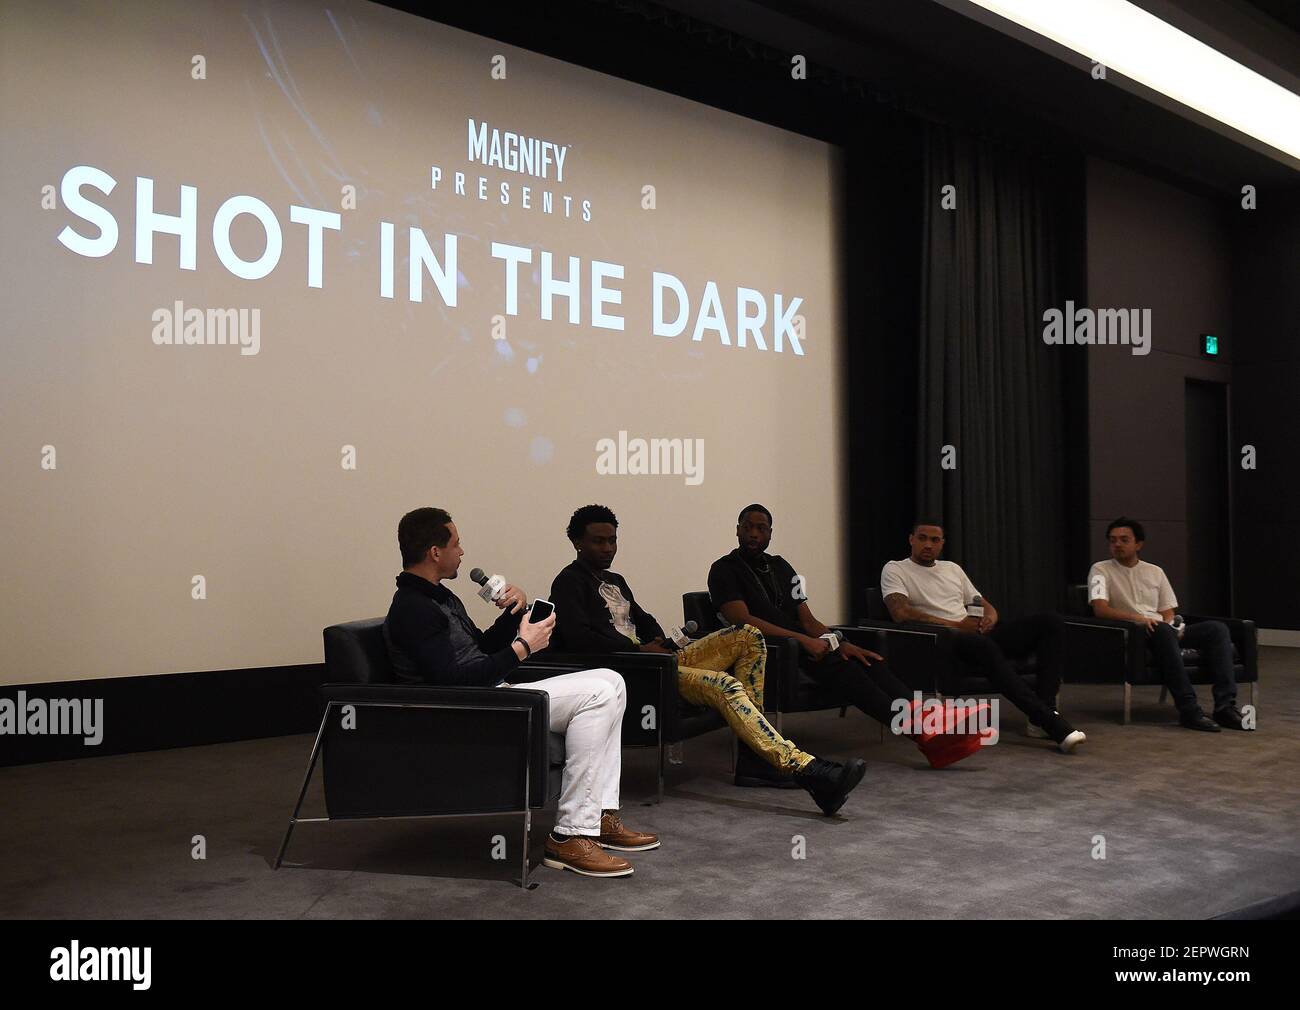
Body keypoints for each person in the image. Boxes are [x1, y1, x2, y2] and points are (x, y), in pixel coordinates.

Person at [383, 507, 659, 879]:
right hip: (473, 710)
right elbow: (454, 683)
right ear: (435, 552)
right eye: (456, 543)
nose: (462, 552)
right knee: (598, 693)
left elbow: (477, 651)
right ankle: (570, 835)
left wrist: (514, 617)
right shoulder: (412, 608)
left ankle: (600, 816)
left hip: (493, 695)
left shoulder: (441, 598)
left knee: (611, 680)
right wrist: (522, 648)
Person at [548, 504, 867, 816]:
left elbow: (644, 620)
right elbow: (580, 638)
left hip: (659, 658)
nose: (608, 548)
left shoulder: (616, 580)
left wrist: (660, 640)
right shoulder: (568, 582)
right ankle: (805, 767)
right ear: (577, 543)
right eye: (598, 541)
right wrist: (642, 651)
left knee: (748, 635)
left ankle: (753, 760)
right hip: (636, 671)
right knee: (724, 684)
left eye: (612, 540)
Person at [709, 505, 990, 770]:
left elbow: (808, 619)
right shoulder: (723, 569)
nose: (754, 534)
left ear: (771, 533)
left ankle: (929, 722)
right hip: (769, 651)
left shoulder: (782, 567)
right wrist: (804, 641)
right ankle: (923, 734)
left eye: (761, 528)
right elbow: (742, 621)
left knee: (867, 659)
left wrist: (840, 641)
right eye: (747, 527)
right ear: (737, 530)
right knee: (839, 667)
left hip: (803, 645)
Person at [880, 518, 1086, 754]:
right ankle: (1051, 723)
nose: (928, 544)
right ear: (911, 540)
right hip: (943, 642)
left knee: (1051, 622)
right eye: (922, 538)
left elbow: (981, 603)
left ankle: (1042, 712)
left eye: (935, 540)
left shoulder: (952, 569)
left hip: (974, 635)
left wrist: (990, 618)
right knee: (979, 644)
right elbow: (901, 613)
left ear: (942, 543)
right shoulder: (895, 568)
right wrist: (957, 625)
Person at [1089, 517, 1250, 731]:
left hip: (1162, 630)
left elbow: (1168, 611)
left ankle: (1225, 707)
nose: (1117, 544)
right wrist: (1139, 619)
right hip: (1133, 633)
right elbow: (1101, 610)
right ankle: (1189, 709)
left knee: (1216, 629)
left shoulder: (1155, 571)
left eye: (1124, 540)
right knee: (1162, 630)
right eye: (1113, 540)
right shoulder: (1100, 570)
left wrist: (1174, 627)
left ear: (1139, 544)